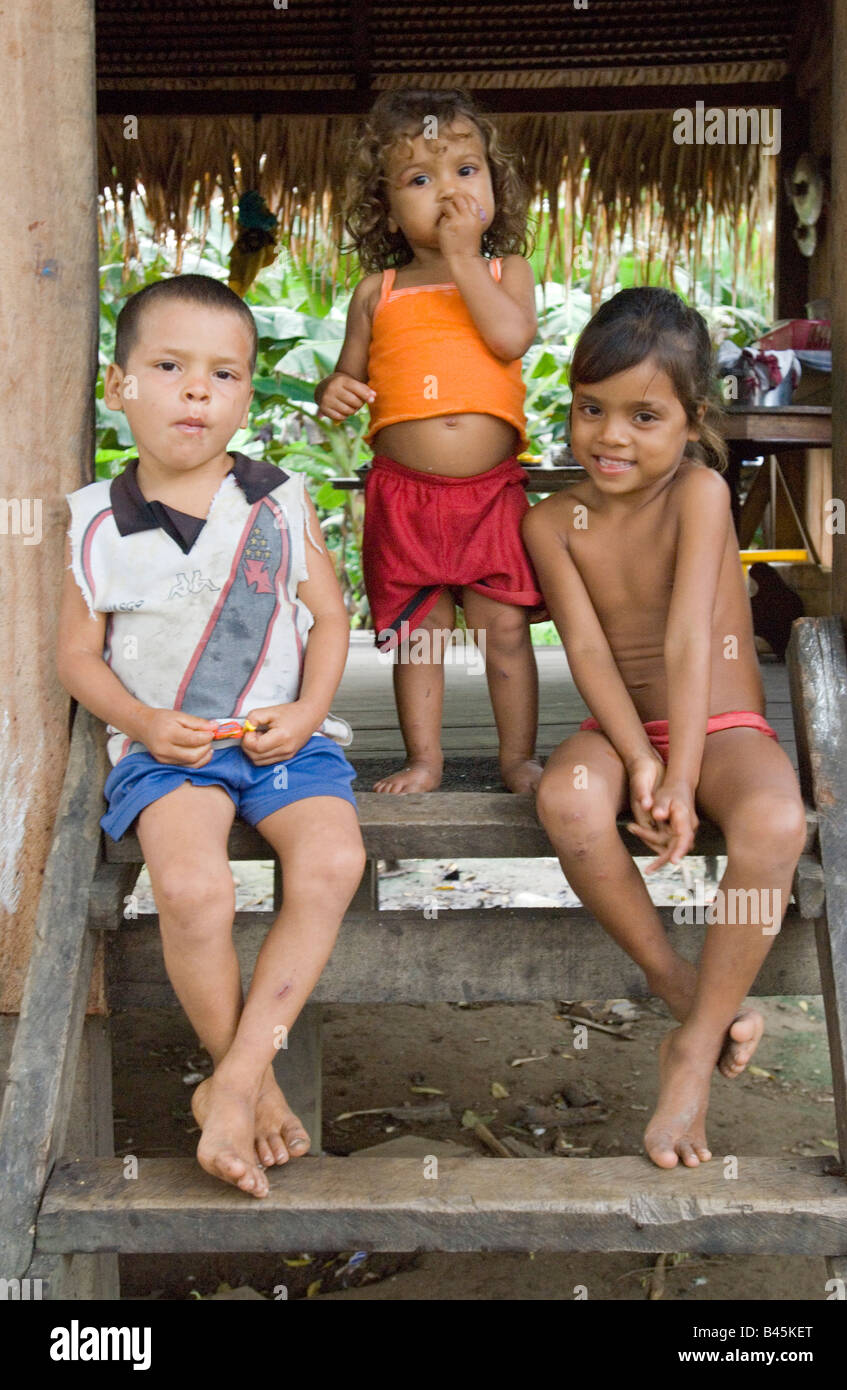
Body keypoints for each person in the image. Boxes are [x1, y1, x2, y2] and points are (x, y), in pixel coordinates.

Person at [57, 274, 366, 1199]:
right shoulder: (94, 524)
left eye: (224, 373)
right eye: (169, 366)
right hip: (167, 751)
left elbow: (332, 616)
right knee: (193, 890)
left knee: (332, 862)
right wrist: (145, 722)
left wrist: (309, 713)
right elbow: (77, 659)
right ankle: (250, 1082)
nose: (198, 390)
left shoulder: (279, 500)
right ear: (119, 386)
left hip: (282, 739)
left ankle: (227, 1084)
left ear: (247, 392)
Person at [523, 287, 807, 1169]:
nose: (610, 435)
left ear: (691, 422)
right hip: (617, 726)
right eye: (591, 410)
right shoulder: (549, 521)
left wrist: (679, 774)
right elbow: (587, 651)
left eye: (644, 415)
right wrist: (639, 758)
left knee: (775, 822)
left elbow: (689, 640)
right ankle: (682, 990)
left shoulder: (700, 493)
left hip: (718, 724)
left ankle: (689, 1051)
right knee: (567, 801)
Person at [316, 88, 544, 795]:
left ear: (494, 187)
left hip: (489, 494)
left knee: (503, 629)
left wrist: (464, 257)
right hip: (403, 496)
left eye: (465, 172)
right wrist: (334, 392)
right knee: (418, 636)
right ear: (387, 209)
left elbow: (508, 337)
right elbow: (347, 380)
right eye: (420, 180)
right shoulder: (376, 291)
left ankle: (516, 760)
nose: (446, 192)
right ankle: (423, 760)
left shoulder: (506, 273)